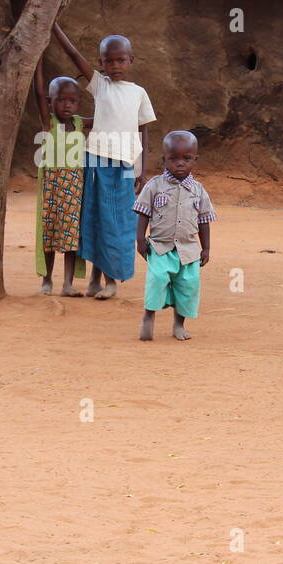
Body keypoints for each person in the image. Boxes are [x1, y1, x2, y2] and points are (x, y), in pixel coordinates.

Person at [52, 23, 156, 300]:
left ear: (131, 60)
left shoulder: (139, 93)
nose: (115, 65)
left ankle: (112, 281)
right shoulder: (100, 86)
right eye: (108, 61)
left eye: (121, 59)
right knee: (93, 217)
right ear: (101, 64)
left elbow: (143, 131)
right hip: (95, 162)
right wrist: (54, 27)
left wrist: (142, 170)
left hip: (124, 167)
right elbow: (74, 55)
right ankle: (95, 279)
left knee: (118, 221)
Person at [134, 130, 215, 341]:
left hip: (188, 250)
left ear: (195, 160)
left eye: (186, 159)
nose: (180, 163)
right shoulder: (154, 186)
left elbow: (204, 221)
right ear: (165, 159)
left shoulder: (198, 190)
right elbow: (143, 213)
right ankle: (148, 316)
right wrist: (140, 239)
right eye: (174, 159)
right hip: (160, 247)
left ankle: (179, 324)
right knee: (157, 279)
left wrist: (206, 248)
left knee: (187, 286)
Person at [32, 60, 88, 296]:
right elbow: (38, 91)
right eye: (61, 100)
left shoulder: (79, 123)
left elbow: (109, 119)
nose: (67, 105)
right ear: (50, 102)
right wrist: (37, 63)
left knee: (71, 238)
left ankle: (68, 283)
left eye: (72, 100)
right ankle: (47, 281)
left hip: (74, 189)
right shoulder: (49, 123)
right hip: (52, 188)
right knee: (49, 234)